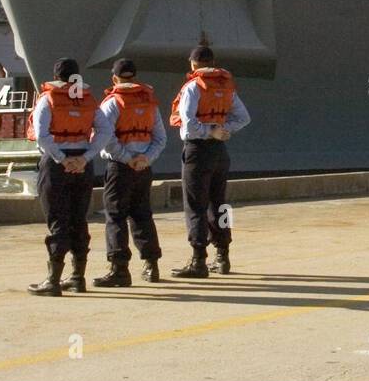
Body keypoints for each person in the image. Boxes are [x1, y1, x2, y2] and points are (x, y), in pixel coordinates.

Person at [26, 58, 107, 296]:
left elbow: (41, 135)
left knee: (58, 220)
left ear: (56, 76)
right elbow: (105, 130)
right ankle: (77, 278)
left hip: (55, 164)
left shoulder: (48, 99)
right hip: (83, 164)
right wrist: (86, 157)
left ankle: (53, 281)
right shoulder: (89, 100)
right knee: (79, 219)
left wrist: (62, 158)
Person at [169, 45, 250, 278]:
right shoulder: (226, 87)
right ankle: (223, 256)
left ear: (193, 64)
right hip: (220, 152)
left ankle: (198, 260)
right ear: (213, 63)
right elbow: (244, 117)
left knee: (196, 205)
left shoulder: (193, 87)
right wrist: (223, 129)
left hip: (198, 151)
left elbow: (188, 123)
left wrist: (209, 131)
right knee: (220, 203)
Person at [92, 59, 166, 287]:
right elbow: (160, 138)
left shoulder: (112, 103)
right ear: (134, 77)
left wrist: (127, 159)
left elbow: (105, 139)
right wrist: (145, 159)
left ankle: (119, 269)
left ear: (114, 78)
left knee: (115, 216)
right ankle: (151, 265)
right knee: (142, 214)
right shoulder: (150, 102)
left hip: (120, 168)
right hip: (144, 168)